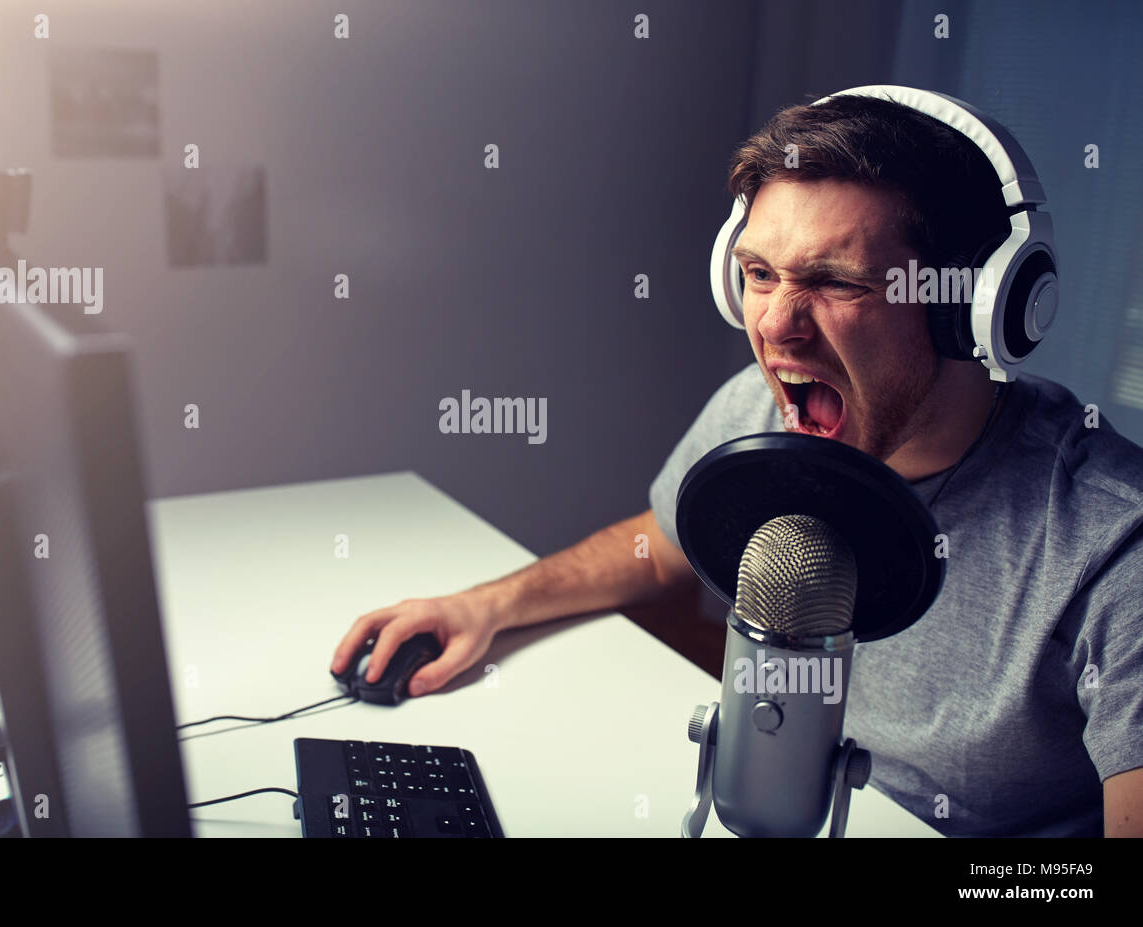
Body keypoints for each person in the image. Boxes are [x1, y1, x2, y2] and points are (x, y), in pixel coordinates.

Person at [331, 91, 1143, 837]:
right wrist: (489, 605)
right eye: (759, 274)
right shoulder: (763, 412)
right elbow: (659, 541)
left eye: (835, 282)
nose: (778, 327)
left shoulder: (1112, 543)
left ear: (969, 306)